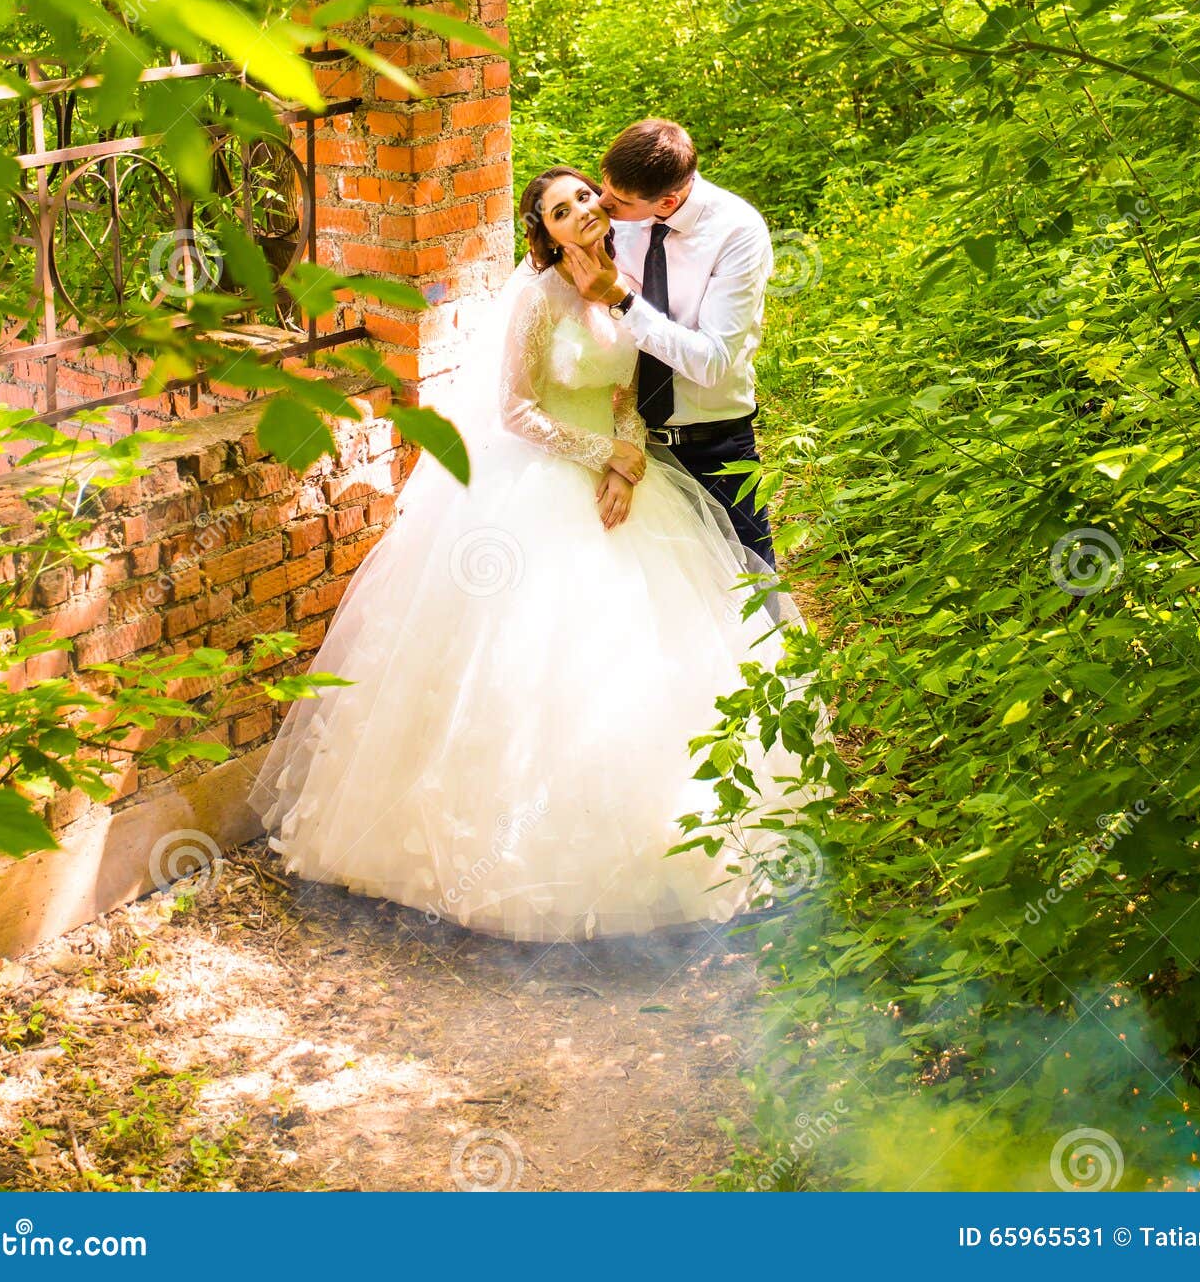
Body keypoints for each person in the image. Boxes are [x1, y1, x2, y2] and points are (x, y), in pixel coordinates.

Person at [247, 165, 808, 944]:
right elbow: (514, 411)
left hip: (622, 479)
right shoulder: (537, 298)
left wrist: (628, 462)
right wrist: (602, 457)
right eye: (559, 209)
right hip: (540, 482)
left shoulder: (618, 285)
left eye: (584, 197)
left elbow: (624, 397)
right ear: (542, 232)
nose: (580, 210)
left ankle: (676, 832)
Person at [559, 119, 777, 569]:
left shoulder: (737, 233)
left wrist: (622, 300)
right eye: (604, 187)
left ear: (668, 202)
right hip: (630, 441)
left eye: (619, 201)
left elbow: (712, 362)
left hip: (713, 446)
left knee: (751, 583)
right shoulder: (619, 222)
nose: (603, 203)